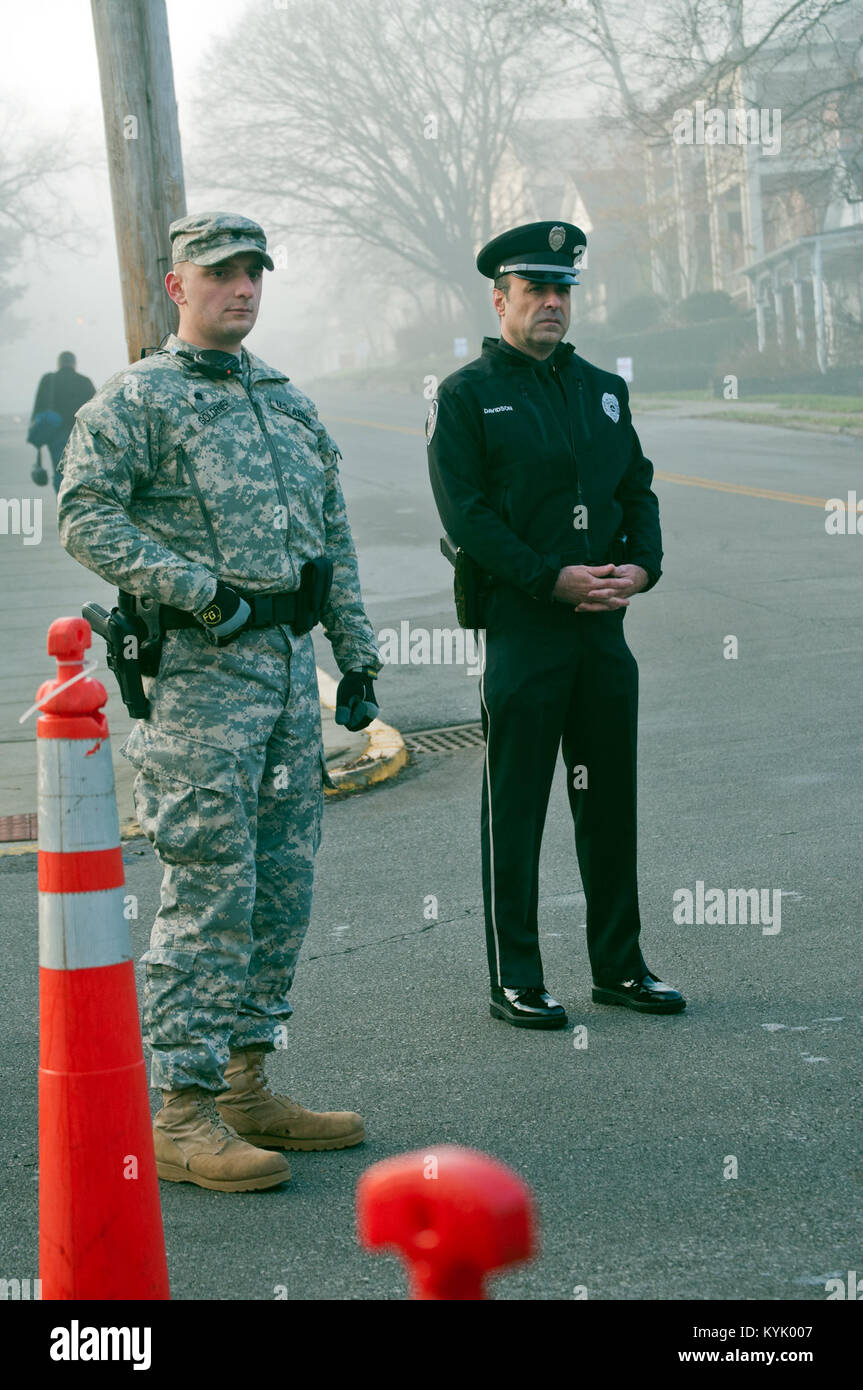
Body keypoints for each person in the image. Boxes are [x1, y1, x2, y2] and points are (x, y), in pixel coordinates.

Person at [58, 212, 382, 1191]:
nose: (240, 288)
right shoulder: (138, 401)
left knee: (280, 892)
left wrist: (356, 654)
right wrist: (198, 588)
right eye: (220, 273)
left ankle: (247, 1083)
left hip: (287, 687)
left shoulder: (284, 402)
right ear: (177, 286)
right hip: (201, 689)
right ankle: (182, 1110)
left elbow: (331, 535)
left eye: (252, 272)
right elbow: (83, 513)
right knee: (207, 895)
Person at [427, 220, 685, 1029]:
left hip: (602, 630)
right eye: (533, 290)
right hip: (523, 628)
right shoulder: (466, 395)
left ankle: (619, 965)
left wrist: (641, 565)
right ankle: (517, 978)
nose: (550, 303)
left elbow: (635, 489)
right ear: (498, 299)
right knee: (517, 806)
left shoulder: (602, 389)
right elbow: (465, 516)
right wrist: (550, 580)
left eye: (561, 289)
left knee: (608, 800)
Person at [30, 352, 95, 491]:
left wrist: (36, 432)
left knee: (59, 470)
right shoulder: (84, 381)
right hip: (80, 434)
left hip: (55, 434)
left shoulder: (49, 379)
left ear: (59, 363)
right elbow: (95, 409)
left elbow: (38, 407)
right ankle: (77, 500)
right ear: (74, 364)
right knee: (81, 471)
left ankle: (62, 503)